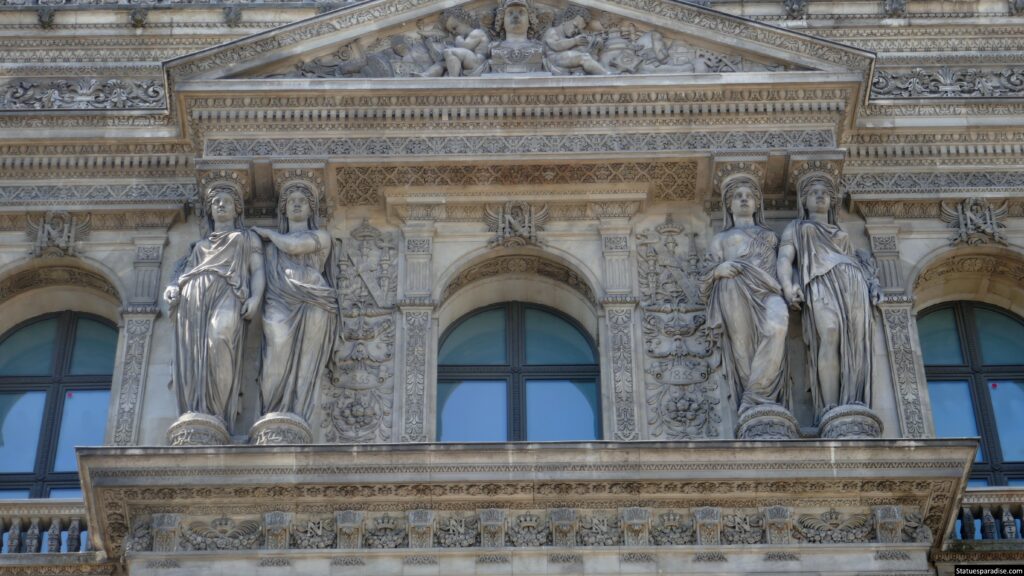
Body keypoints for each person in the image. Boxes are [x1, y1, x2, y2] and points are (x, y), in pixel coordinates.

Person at [777, 174, 880, 419]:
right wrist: (788, 286)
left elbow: (858, 261)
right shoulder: (797, 227)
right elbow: (784, 259)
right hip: (819, 281)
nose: (821, 196)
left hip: (852, 281)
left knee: (854, 342)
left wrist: (872, 284)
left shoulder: (840, 231)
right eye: (814, 192)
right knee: (830, 334)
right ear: (804, 201)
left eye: (825, 193)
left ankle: (851, 400)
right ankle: (830, 406)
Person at [164, 185, 264, 430]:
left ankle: (217, 412)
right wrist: (172, 287)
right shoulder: (200, 244)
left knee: (220, 340)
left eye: (227, 201)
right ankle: (198, 410)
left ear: (236, 209)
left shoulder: (247, 237)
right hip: (194, 295)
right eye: (216, 202)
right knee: (194, 353)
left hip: (228, 292)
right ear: (209, 210)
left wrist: (256, 298)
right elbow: (183, 271)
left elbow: (258, 269)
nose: (221, 205)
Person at [701, 175, 789, 414]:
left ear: (757, 203)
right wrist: (718, 271)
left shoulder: (772, 237)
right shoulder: (721, 239)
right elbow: (705, 276)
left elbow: (785, 266)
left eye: (749, 196)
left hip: (769, 289)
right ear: (729, 205)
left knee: (777, 327)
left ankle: (758, 394)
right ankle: (752, 404)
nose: (743, 200)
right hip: (733, 287)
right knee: (741, 346)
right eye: (737, 197)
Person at [251, 183, 338, 422]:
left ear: (312, 209)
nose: (297, 203)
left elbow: (294, 246)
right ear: (284, 209)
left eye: (303, 200)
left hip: (314, 301)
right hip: (278, 300)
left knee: (307, 364)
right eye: (291, 200)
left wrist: (269, 235)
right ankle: (273, 413)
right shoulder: (269, 250)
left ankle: (297, 417)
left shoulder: (321, 237)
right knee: (275, 352)